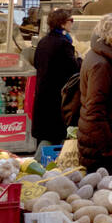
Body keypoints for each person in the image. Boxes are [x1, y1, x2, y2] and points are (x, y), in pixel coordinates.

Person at [78, 12, 112, 174]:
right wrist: (106, 146)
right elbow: (95, 108)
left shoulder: (101, 55)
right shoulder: (102, 64)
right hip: (100, 143)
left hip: (95, 137)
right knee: (109, 192)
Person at [31, 9, 82, 144]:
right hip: (56, 98)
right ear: (63, 24)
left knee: (45, 137)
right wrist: (80, 59)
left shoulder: (43, 42)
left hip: (42, 96)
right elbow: (74, 69)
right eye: (71, 21)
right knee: (52, 138)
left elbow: (36, 63)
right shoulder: (63, 44)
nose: (72, 24)